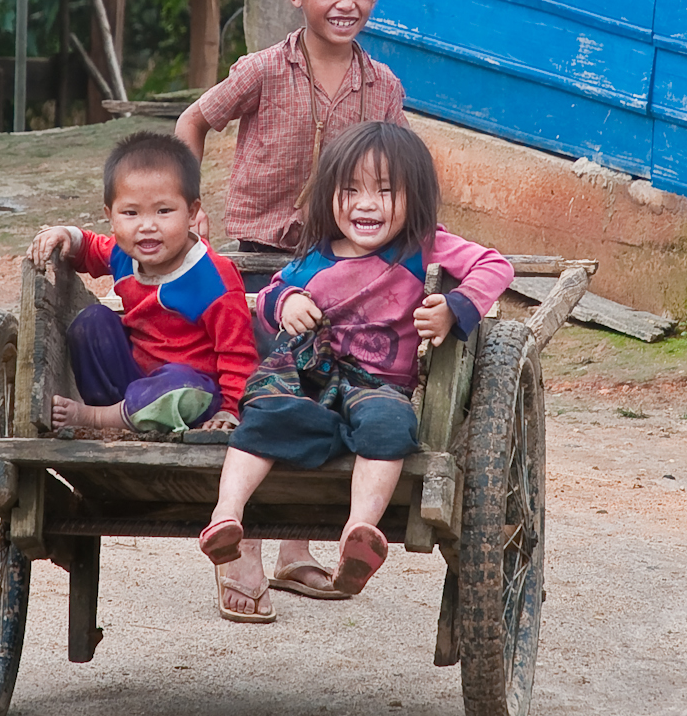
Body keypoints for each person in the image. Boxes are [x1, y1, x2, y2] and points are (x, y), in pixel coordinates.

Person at [175, 0, 409, 613]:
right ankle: (240, 555)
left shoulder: (384, 87)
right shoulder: (262, 70)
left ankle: (296, 550)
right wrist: (188, 203)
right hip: (254, 262)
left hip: (337, 266)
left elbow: (399, 171)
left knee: (327, 383)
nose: (346, 3)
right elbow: (194, 121)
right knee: (257, 389)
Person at [198, 122, 515, 620]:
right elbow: (274, 292)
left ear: (416, 199)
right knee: (264, 417)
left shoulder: (422, 245)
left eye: (386, 192)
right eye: (351, 191)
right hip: (309, 377)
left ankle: (358, 534)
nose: (366, 204)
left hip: (378, 384)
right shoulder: (317, 254)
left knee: (391, 427)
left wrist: (454, 307)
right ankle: (226, 516)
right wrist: (288, 303)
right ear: (330, 197)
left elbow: (496, 266)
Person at [25, 132, 256, 434]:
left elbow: (237, 352)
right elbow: (92, 249)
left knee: (178, 384)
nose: (147, 226)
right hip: (132, 382)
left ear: (192, 212)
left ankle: (97, 419)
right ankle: (117, 415)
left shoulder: (213, 277)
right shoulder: (123, 254)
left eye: (163, 211)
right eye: (131, 213)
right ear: (111, 216)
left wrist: (230, 410)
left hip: (190, 395)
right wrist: (67, 235)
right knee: (91, 323)